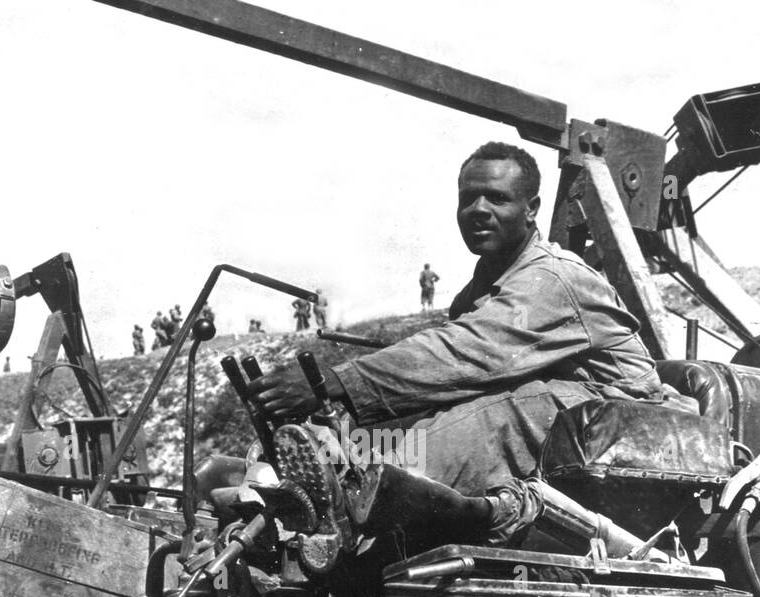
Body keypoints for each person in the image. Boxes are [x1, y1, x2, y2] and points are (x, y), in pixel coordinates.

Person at [247, 141, 662, 496]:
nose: (478, 209)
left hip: (619, 415)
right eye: (468, 199)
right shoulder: (479, 290)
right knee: (364, 437)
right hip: (561, 409)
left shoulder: (550, 278)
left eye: (497, 198)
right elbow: (446, 378)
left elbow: (464, 353)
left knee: (457, 435)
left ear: (531, 209)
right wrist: (339, 415)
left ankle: (366, 503)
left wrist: (334, 383)